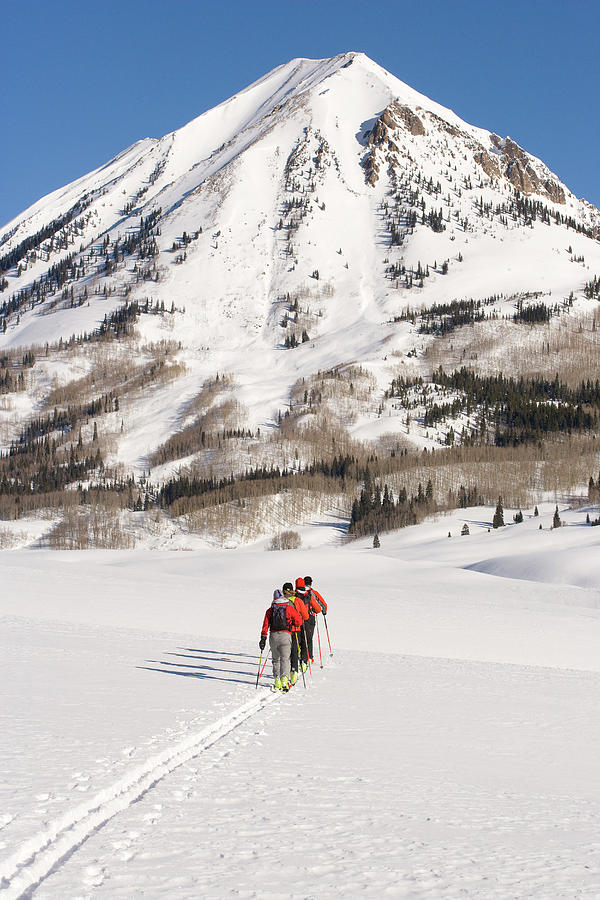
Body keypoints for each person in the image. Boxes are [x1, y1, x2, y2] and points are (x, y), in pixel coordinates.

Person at [259, 587, 302, 691]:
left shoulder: (270, 610)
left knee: (275, 659)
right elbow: (299, 621)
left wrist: (263, 638)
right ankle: (284, 679)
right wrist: (291, 624)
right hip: (285, 636)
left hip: (273, 636)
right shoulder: (288, 608)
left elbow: (265, 626)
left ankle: (277, 680)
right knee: (285, 659)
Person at [295, 576, 326, 663]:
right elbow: (320, 607)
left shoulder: (294, 594)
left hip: (296, 620)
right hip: (309, 618)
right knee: (308, 638)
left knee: (298, 637)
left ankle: (298, 655)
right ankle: (309, 657)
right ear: (311, 583)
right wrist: (323, 611)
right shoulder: (311, 593)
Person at [284, 582, 308, 685]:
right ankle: (294, 672)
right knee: (294, 651)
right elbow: (306, 616)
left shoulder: (279, 601)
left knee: (284, 653)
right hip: (295, 629)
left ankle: (283, 675)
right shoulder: (297, 600)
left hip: (283, 630)